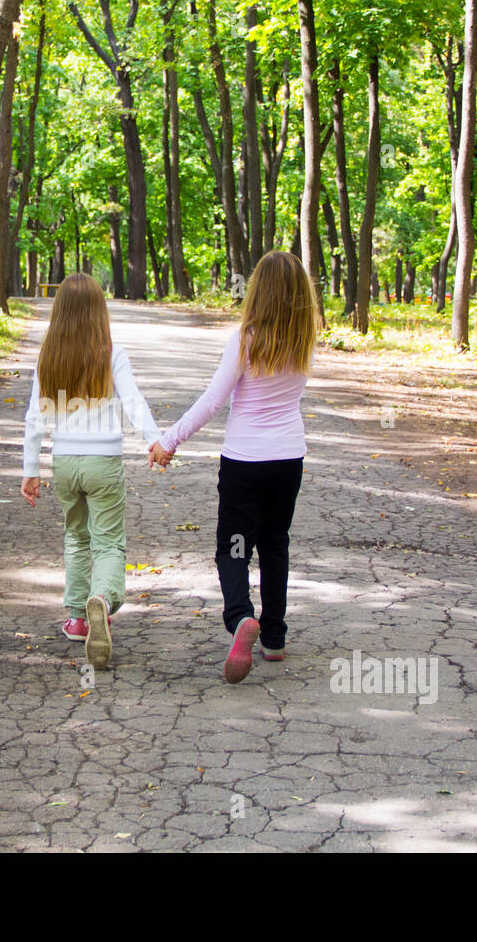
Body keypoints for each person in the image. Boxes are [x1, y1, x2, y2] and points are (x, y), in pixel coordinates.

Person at [148, 251, 321, 684]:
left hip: (245, 461)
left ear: (257, 291)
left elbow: (212, 401)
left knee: (235, 547)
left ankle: (242, 617)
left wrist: (168, 441)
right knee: (276, 543)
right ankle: (275, 637)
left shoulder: (244, 338)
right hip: (288, 459)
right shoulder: (304, 338)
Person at [22, 273, 164, 669]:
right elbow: (133, 402)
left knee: (76, 537)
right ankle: (102, 598)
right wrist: (155, 441)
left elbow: (35, 418)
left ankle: (77, 618)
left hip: (65, 462)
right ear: (99, 311)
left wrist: (30, 470)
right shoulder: (111, 351)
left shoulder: (48, 355)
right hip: (103, 462)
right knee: (108, 542)